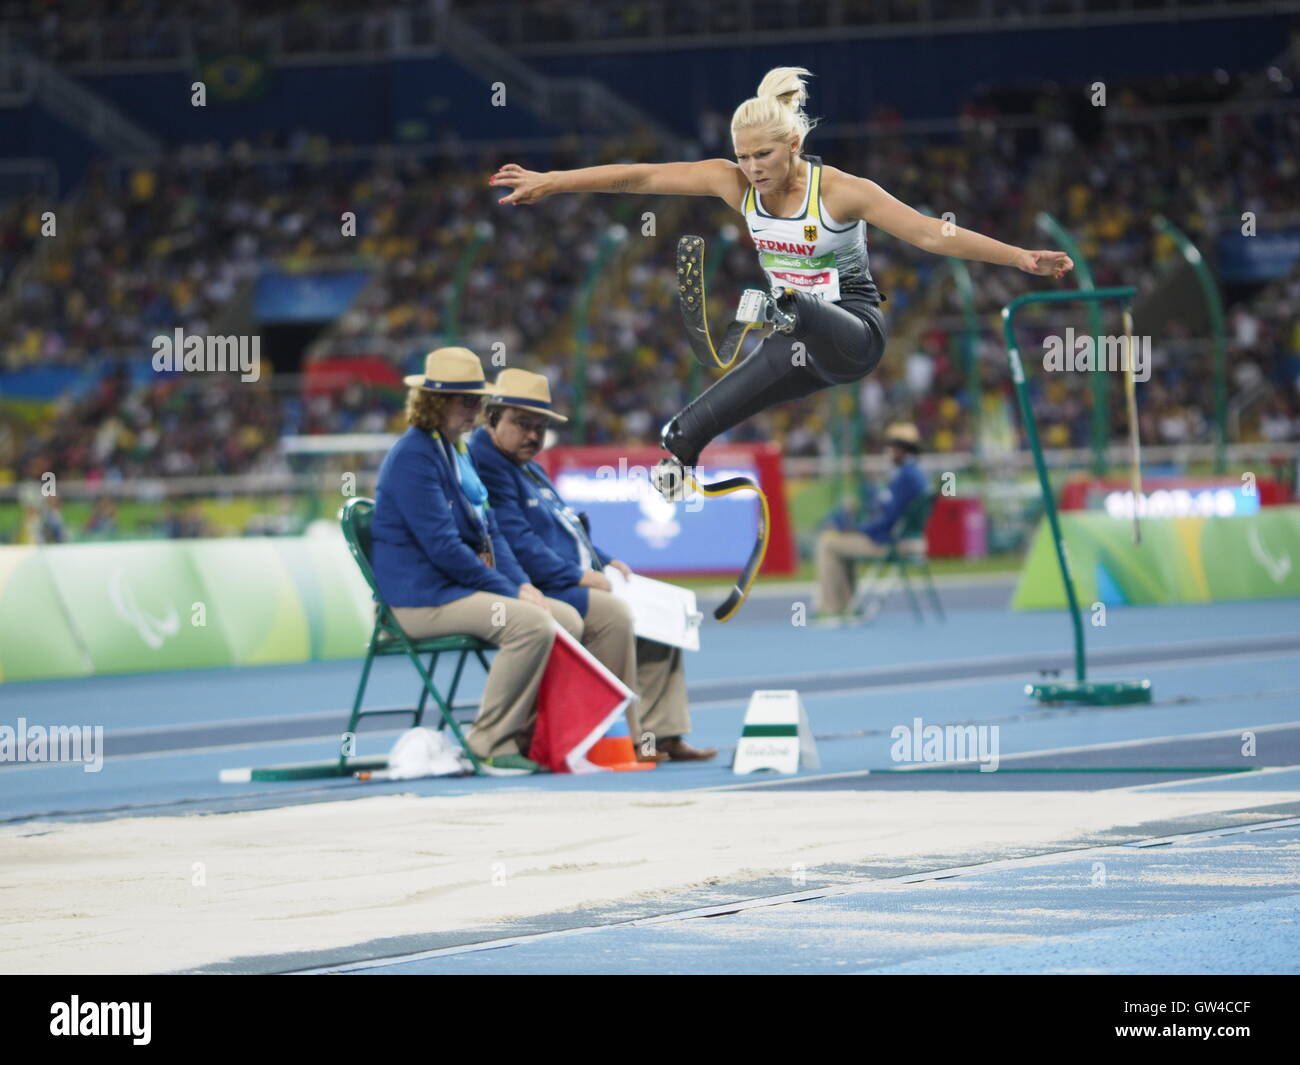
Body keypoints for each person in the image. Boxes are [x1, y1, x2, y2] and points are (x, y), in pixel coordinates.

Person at [488, 66, 1072, 494]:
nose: (752, 170)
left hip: (853, 332)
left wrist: (1020, 257)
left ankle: (786, 307)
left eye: (763, 156)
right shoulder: (733, 182)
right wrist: (555, 181)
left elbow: (928, 235)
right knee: (699, 416)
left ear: (794, 145)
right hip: (795, 345)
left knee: (789, 307)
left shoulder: (841, 191)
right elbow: (641, 176)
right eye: (742, 157)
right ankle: (675, 462)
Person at [470, 369, 717, 762]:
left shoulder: (528, 464)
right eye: (521, 424)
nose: (533, 436)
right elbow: (515, 542)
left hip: (563, 579)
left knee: (664, 613)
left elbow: (565, 525)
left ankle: (662, 734)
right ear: (491, 419)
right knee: (614, 614)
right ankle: (618, 740)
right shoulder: (487, 465)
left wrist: (603, 560)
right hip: (533, 586)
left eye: (539, 427)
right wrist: (575, 575)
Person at [371, 347, 581, 776]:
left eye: (477, 400)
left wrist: (523, 585)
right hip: (419, 602)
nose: (475, 410)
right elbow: (444, 549)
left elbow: (492, 533)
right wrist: (509, 592)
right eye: (465, 400)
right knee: (532, 623)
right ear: (435, 401)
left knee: (568, 621)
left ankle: (530, 736)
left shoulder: (455, 452)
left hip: (452, 590)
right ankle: (487, 741)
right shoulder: (415, 456)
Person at [815, 422, 930, 618]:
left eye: (891, 447)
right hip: (911, 539)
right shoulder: (916, 474)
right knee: (842, 544)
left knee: (828, 544)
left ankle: (833, 607)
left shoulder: (905, 477)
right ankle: (847, 605)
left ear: (901, 449)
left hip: (896, 543)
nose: (888, 452)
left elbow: (888, 521)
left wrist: (859, 530)